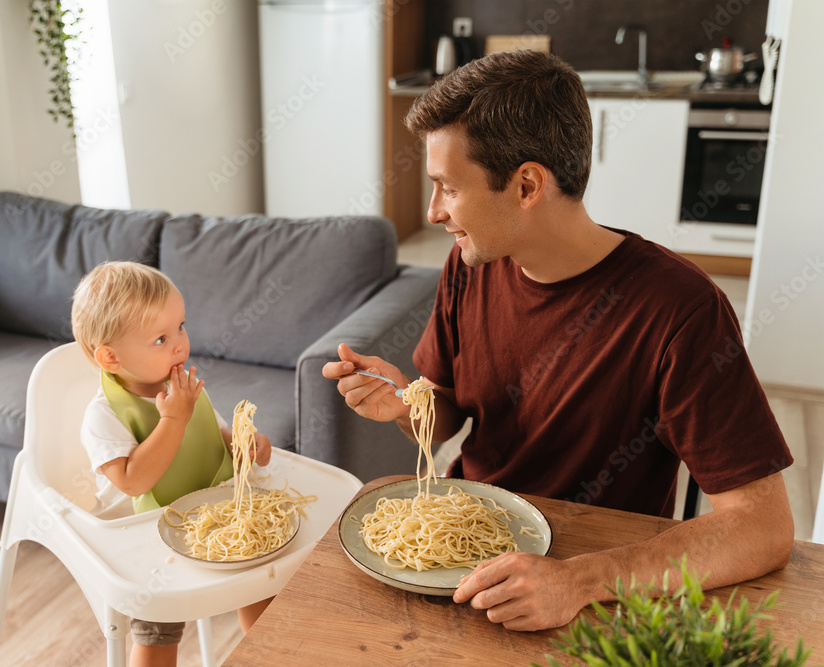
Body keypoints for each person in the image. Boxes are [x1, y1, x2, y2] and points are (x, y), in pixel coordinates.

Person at [322, 50, 794, 632]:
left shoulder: (682, 310)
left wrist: (580, 581)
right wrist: (408, 407)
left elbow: (762, 527)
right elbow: (444, 415)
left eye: (447, 187)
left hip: (592, 584)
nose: (433, 211)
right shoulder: (469, 264)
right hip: (463, 559)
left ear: (526, 185)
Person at [72, 261, 273, 667]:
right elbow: (131, 481)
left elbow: (217, 438)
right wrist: (172, 419)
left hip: (212, 516)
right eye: (160, 339)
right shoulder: (104, 416)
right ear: (111, 358)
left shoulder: (182, 388)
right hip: (145, 538)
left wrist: (249, 445)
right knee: (157, 628)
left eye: (180, 326)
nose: (180, 344)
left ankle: (269, 653)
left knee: (261, 589)